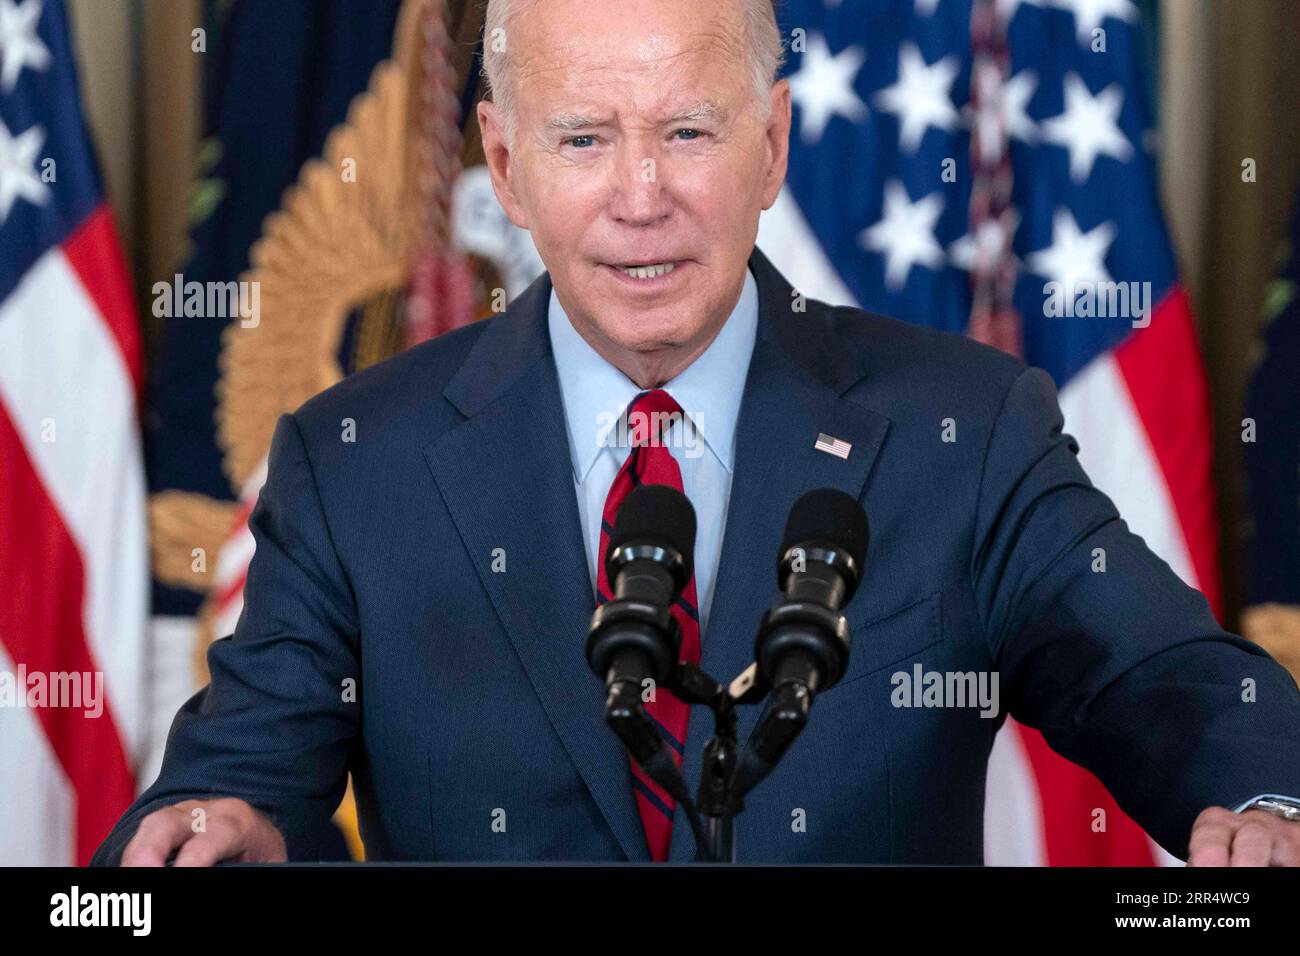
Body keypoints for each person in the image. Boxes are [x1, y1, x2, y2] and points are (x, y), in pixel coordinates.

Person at [94, 0, 1300, 866]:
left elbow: (1167, 678)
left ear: (770, 143)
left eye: (686, 131)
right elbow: (243, 775)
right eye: (582, 138)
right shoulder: (355, 460)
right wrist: (223, 829)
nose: (638, 195)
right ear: (503, 166)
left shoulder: (964, 428)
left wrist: (1266, 799)